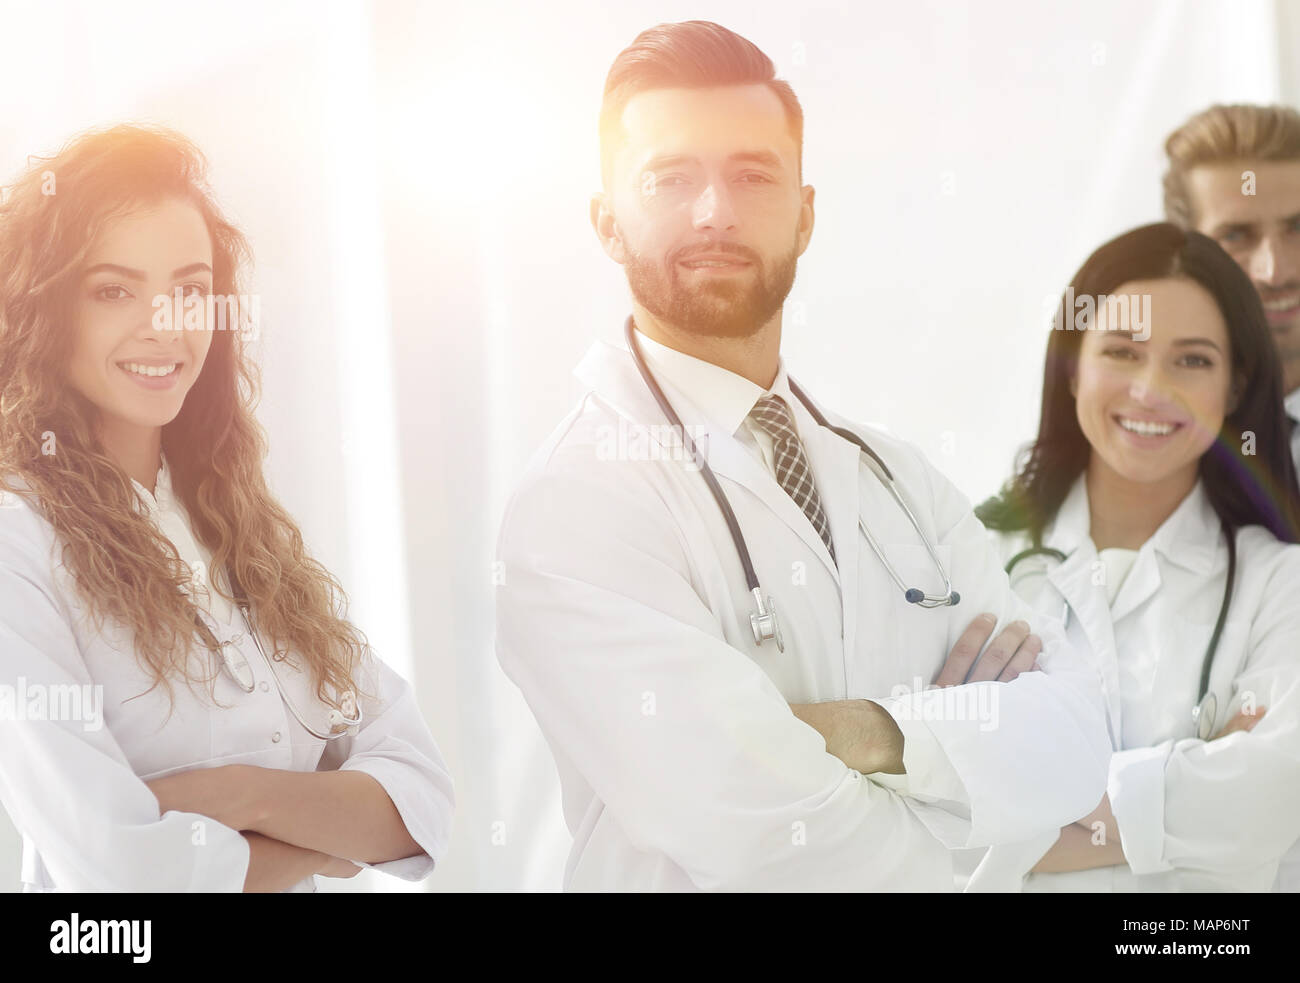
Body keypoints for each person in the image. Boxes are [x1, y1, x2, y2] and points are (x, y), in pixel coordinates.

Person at [494, 20, 1111, 891]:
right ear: (606, 222)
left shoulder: (896, 478)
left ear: (806, 212)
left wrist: (869, 733)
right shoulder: (576, 502)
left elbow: (1077, 743)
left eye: (752, 174)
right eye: (670, 178)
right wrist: (967, 769)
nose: (716, 211)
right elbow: (753, 828)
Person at [0, 124, 455, 891]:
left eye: (189, 290)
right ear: (43, 312)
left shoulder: (229, 521)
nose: (166, 324)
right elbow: (122, 872)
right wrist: (325, 836)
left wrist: (241, 796)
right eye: (115, 290)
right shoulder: (19, 540)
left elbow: (422, 795)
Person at [970, 222, 1300, 891]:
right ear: (1072, 366)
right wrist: (1191, 780)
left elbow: (1268, 799)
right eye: (1122, 351)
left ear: (1235, 387)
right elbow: (909, 814)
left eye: (1193, 360)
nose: (1152, 390)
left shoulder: (1280, 584)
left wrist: (1019, 826)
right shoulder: (969, 559)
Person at [1164, 104, 1300, 472]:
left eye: (1297, 229)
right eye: (1236, 236)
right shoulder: (1139, 420)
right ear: (1185, 253)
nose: (1275, 273)